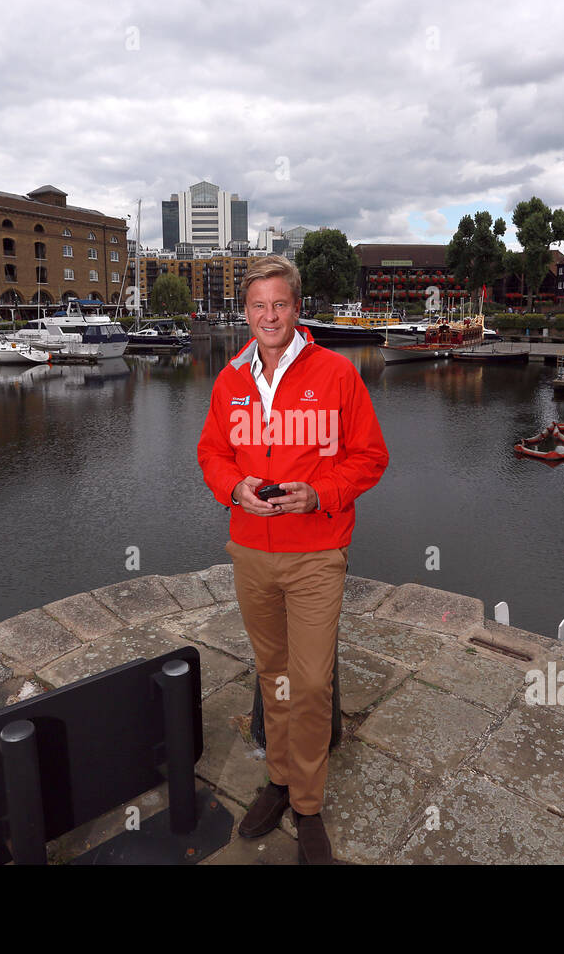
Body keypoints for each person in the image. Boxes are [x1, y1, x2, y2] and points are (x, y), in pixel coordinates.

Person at [197, 255, 389, 865]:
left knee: (309, 683)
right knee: (272, 674)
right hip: (251, 551)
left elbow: (370, 456)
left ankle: (308, 806)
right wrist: (235, 489)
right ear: (246, 312)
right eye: (258, 306)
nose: (269, 315)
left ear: (296, 307)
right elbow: (211, 452)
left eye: (279, 303)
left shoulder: (335, 373)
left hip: (316, 553)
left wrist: (321, 493)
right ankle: (279, 781)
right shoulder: (230, 379)